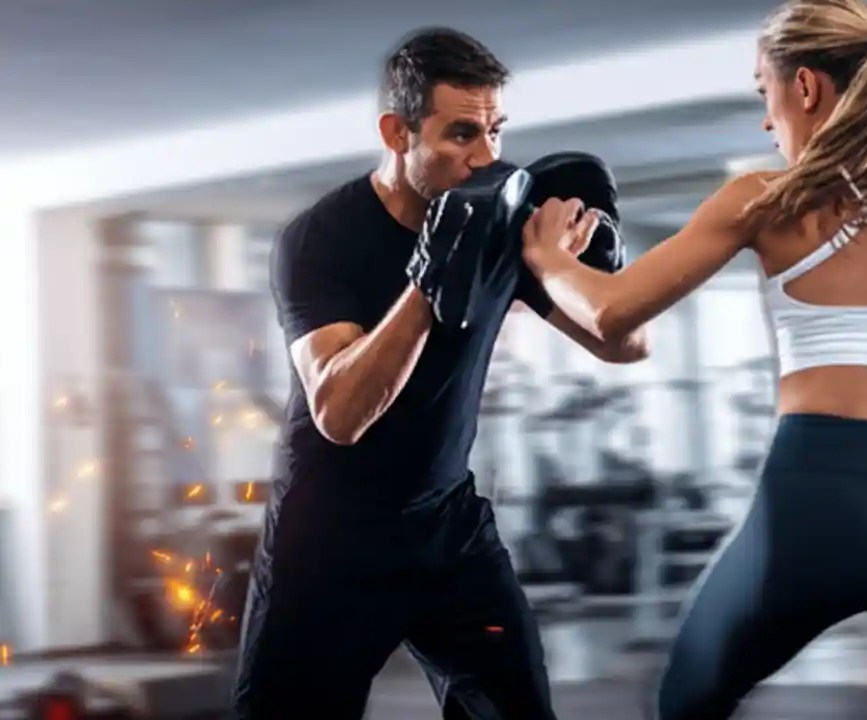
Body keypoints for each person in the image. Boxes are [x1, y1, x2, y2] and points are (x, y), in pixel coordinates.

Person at [519, 1, 867, 718]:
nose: (767, 121)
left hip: (816, 497)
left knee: (686, 699)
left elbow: (612, 310)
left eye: (763, 93)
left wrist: (547, 259)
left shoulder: (760, 201)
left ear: (805, 88)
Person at [232, 26, 648, 719]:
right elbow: (340, 413)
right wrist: (432, 280)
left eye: (495, 133)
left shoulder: (498, 217)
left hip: (448, 532)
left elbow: (623, 344)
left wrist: (570, 268)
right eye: (461, 136)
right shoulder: (320, 239)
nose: (486, 158)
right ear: (398, 132)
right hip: (329, 541)